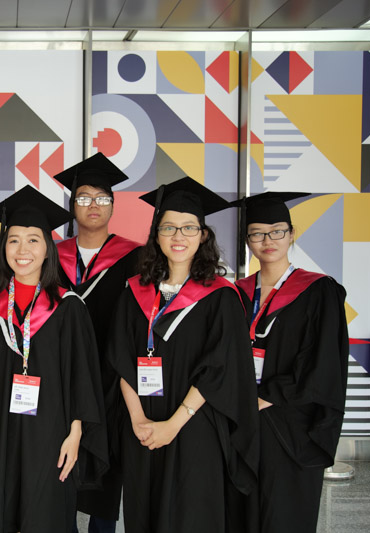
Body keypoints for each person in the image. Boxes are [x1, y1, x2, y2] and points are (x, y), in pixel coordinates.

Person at [0, 185, 108, 533]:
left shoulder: (68, 308)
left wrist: (76, 432)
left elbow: (82, 375)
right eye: (14, 240)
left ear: (48, 248)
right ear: (3, 247)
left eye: (33, 240)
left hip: (52, 434)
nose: (23, 250)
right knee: (1, 512)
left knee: (49, 514)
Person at [107, 177, 259, 533]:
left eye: (189, 227)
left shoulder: (221, 296)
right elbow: (119, 358)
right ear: (156, 234)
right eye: (169, 227)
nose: (179, 236)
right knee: (144, 511)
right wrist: (138, 420)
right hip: (142, 425)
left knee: (190, 512)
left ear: (203, 235)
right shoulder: (134, 292)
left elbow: (220, 369)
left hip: (194, 427)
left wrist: (172, 426)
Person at [233, 191, 349, 533]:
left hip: (290, 425)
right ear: (247, 240)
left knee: (284, 514)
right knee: (241, 513)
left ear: (292, 233)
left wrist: (267, 395)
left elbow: (324, 362)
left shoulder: (318, 292)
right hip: (242, 422)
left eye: (277, 231)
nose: (268, 240)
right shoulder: (235, 293)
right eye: (257, 232)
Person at [53, 153, 141, 533]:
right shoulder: (50, 256)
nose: (93, 205)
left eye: (102, 198)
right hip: (60, 375)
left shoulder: (135, 257)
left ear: (113, 205)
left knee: (109, 461)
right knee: (61, 459)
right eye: (84, 197)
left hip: (111, 377)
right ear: (72, 204)